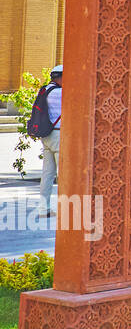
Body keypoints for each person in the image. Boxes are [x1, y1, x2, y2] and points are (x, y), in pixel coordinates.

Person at [34, 65, 63, 216]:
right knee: (63, 174)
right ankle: (65, 209)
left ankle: (43, 208)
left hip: (47, 135)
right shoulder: (61, 92)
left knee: (47, 173)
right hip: (59, 135)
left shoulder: (44, 90)